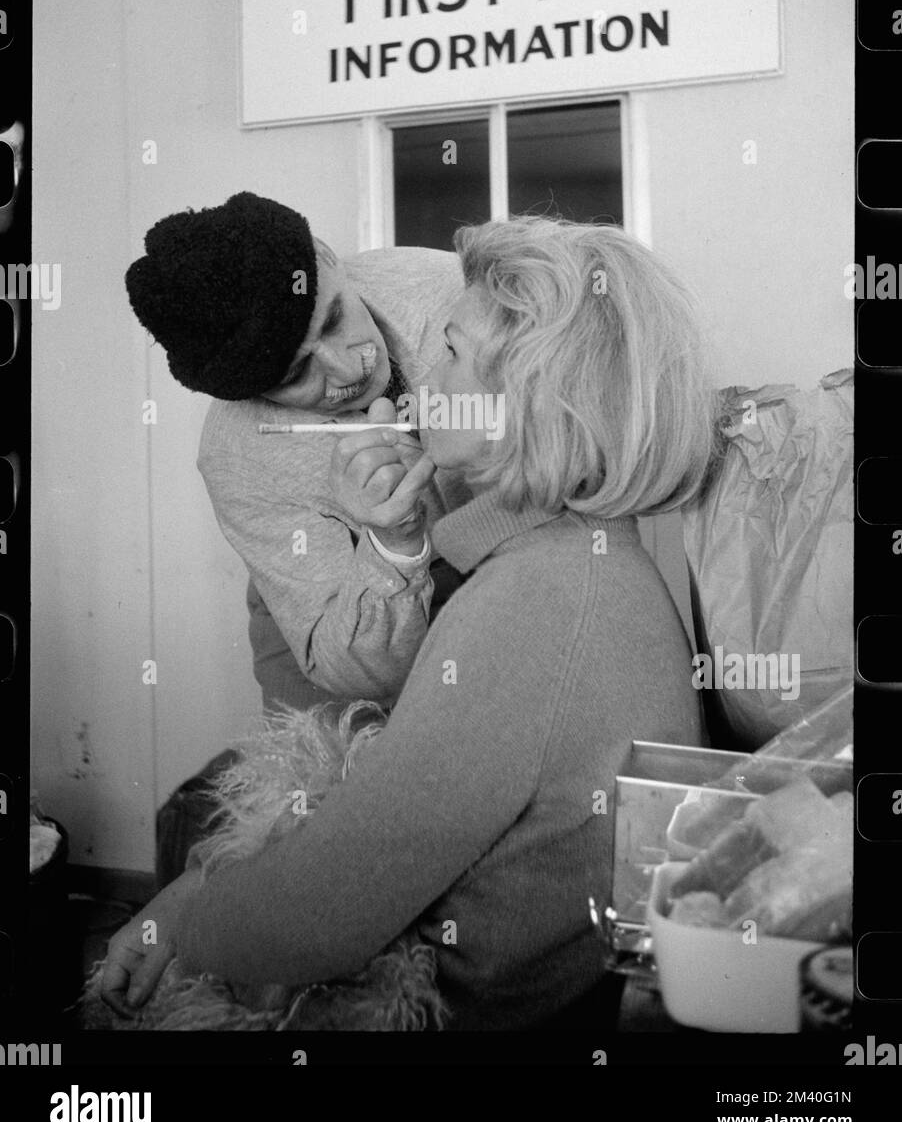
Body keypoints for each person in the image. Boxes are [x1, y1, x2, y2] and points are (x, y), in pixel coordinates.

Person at [105, 216, 716, 1030]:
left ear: (528, 396)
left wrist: (183, 917)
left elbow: (315, 919)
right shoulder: (578, 565)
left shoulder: (527, 606)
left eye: (453, 356)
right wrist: (394, 550)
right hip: (361, 633)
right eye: (296, 372)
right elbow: (370, 767)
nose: (388, 375)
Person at [126, 191, 471, 880]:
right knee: (321, 829)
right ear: (248, 394)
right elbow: (354, 669)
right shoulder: (240, 457)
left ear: (328, 259)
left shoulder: (446, 293)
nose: (347, 371)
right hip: (328, 611)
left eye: (336, 319)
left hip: (482, 562)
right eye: (295, 374)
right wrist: (393, 541)